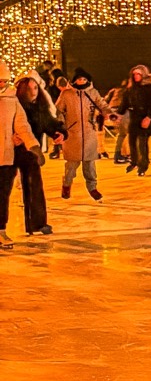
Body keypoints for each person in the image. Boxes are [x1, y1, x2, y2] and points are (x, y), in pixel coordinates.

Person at [0, 66, 43, 246]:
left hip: (4, 156)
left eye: (4, 81)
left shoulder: (11, 100)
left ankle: (1, 230)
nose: (2, 84)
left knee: (2, 195)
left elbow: (22, 125)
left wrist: (33, 145)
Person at [12, 75, 59, 236]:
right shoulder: (13, 104)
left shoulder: (39, 106)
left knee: (34, 186)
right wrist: (11, 136)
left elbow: (48, 123)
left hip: (30, 151)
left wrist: (59, 132)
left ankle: (37, 223)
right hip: (9, 150)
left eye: (36, 88)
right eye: (30, 88)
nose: (33, 92)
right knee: (4, 188)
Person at [57, 70, 107, 201]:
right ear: (75, 80)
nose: (82, 82)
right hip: (73, 134)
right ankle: (66, 185)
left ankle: (92, 187)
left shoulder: (92, 92)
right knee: (71, 166)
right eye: (79, 79)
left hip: (89, 133)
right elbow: (58, 110)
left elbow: (102, 104)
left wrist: (109, 112)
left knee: (90, 164)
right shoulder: (66, 94)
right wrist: (61, 124)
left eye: (84, 80)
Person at [121, 64, 151, 176]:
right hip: (134, 118)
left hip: (145, 119)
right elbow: (124, 105)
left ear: (143, 75)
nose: (136, 76)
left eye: (138, 74)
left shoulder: (149, 89)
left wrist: (149, 117)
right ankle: (134, 161)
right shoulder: (130, 90)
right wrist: (115, 114)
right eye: (134, 74)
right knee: (132, 142)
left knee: (142, 144)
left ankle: (143, 166)